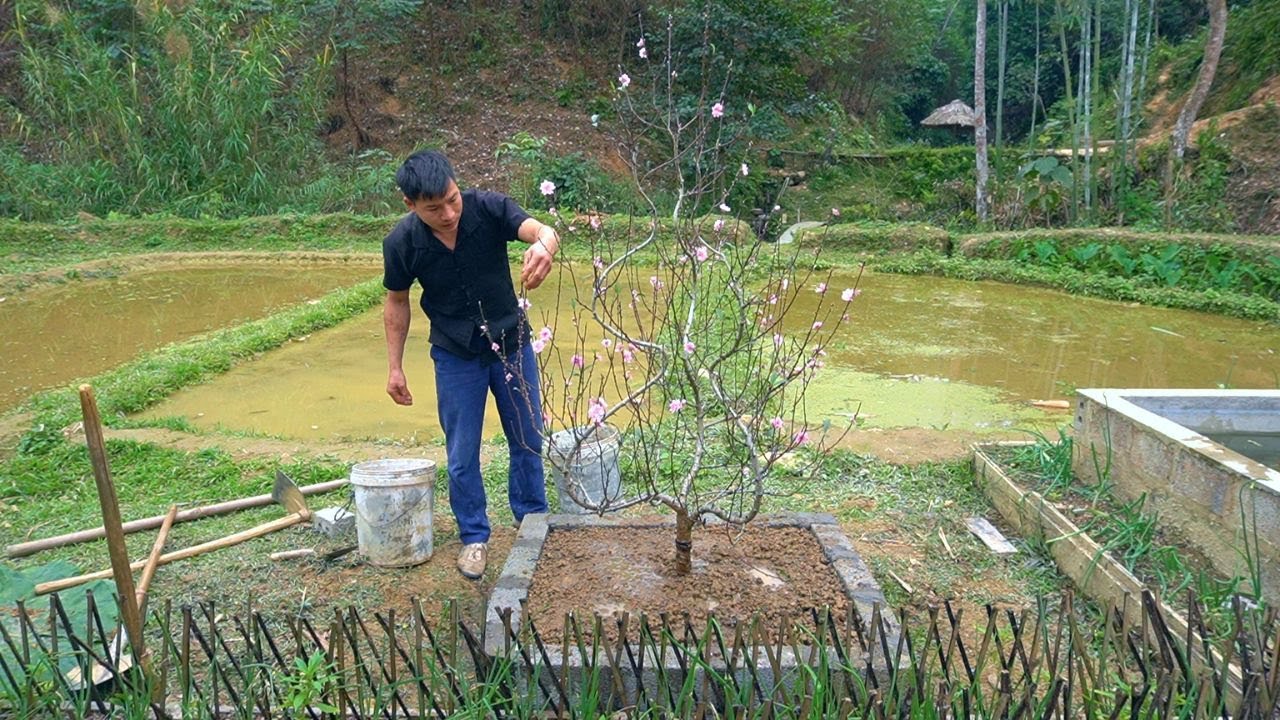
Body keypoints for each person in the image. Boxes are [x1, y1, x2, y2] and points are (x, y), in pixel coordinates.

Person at [381, 149, 559, 579]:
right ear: (410, 205)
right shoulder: (401, 243)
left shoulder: (488, 208)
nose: (448, 213)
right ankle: (474, 537)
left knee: (528, 436)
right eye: (433, 208)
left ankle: (532, 521)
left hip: (511, 343)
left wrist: (546, 243)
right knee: (462, 452)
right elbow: (397, 302)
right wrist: (395, 367)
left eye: (452, 199)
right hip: (455, 353)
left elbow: (539, 228)